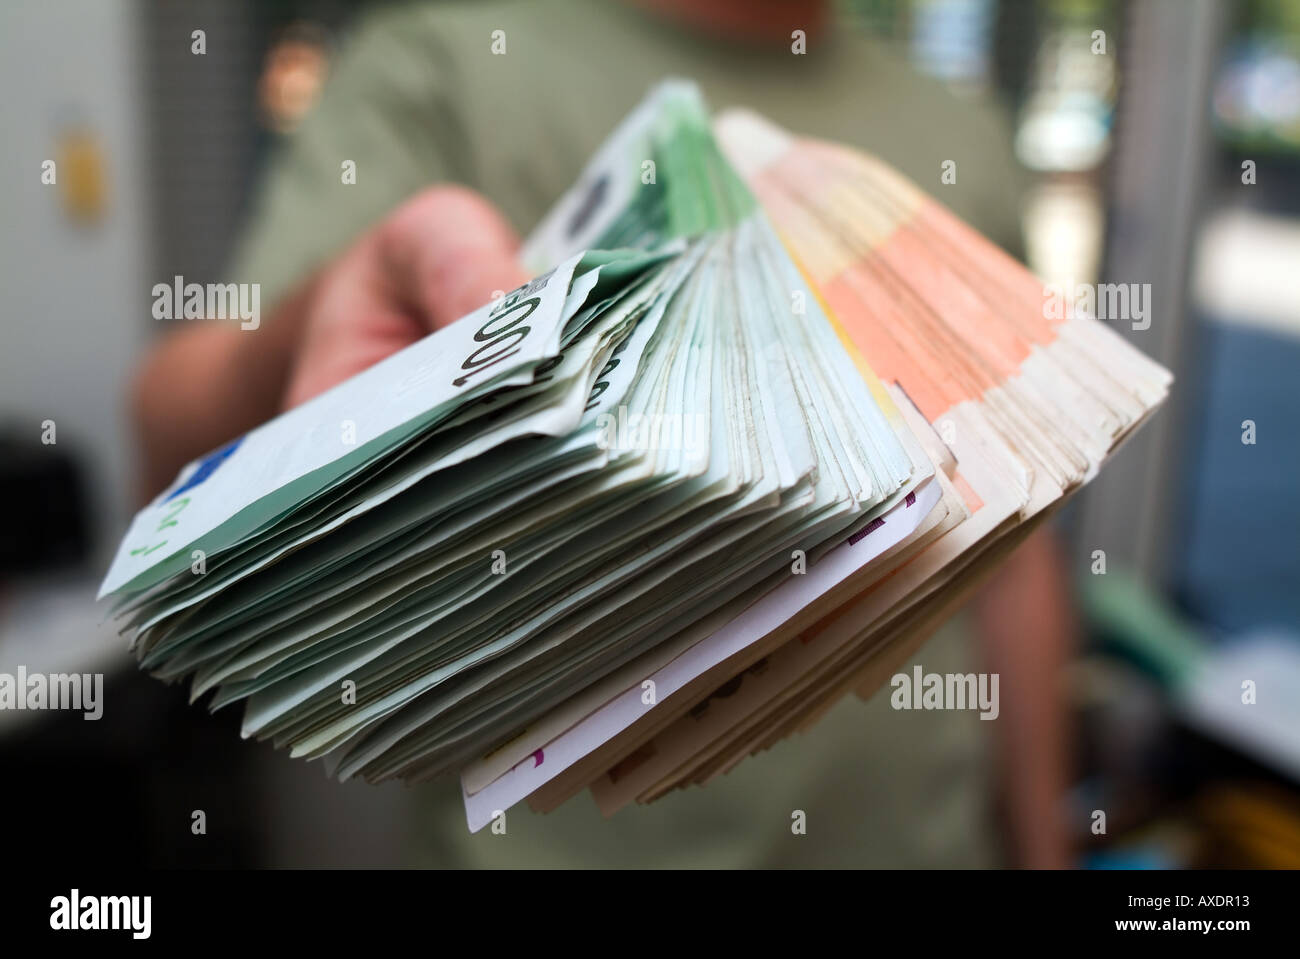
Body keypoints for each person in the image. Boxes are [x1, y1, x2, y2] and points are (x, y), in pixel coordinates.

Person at [131, 0, 1072, 867]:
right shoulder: (443, 62)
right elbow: (165, 429)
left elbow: (1013, 555)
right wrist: (307, 325)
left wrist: (1045, 847)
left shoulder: (962, 130)